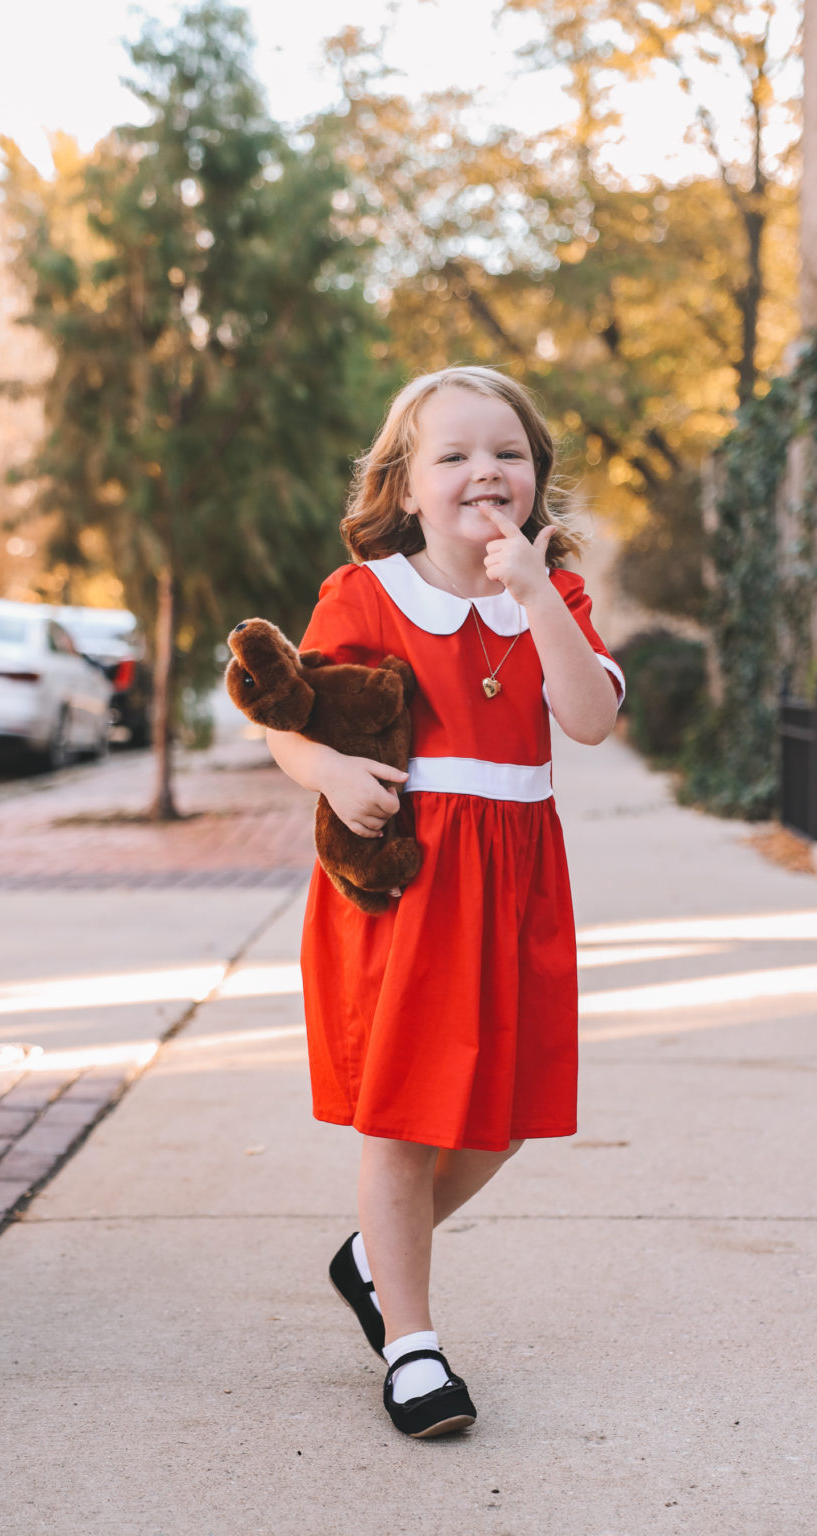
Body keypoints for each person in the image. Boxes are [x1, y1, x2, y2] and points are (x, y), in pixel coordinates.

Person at [266, 365, 624, 1439]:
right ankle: (412, 1346)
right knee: (404, 1119)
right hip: (412, 887)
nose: (484, 472)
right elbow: (292, 715)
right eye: (454, 455)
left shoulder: (550, 595)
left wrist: (525, 592)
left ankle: (371, 1258)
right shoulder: (365, 593)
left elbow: (590, 718)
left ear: (535, 480)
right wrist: (326, 773)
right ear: (406, 486)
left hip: (517, 882)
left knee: (501, 1117)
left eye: (507, 454)